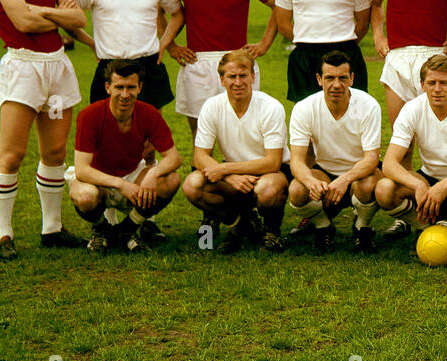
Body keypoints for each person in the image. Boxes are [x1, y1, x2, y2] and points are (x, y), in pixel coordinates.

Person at [0, 0, 87, 260]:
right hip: (23, 68)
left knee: (56, 152)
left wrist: (41, 12)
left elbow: (77, 19)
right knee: (12, 155)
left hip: (57, 68)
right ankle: (4, 236)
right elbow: (22, 22)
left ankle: (52, 229)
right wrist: (54, 16)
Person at [167, 0, 278, 146]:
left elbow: (280, 5)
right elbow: (156, 9)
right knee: (200, 134)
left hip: (237, 60)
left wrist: (265, 43)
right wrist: (171, 46)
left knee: (244, 128)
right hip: (197, 61)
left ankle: (244, 173)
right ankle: (201, 173)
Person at [181, 50, 290, 254]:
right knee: (191, 185)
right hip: (232, 174)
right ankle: (240, 223)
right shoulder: (212, 106)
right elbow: (200, 156)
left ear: (253, 77)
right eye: (232, 77)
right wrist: (230, 176)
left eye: (243, 75)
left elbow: (273, 162)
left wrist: (225, 169)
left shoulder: (270, 107)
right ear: (221, 79)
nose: (238, 82)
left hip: (270, 173)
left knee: (267, 191)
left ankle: (272, 230)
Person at [376, 54, 447, 246]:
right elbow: (389, 164)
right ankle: (425, 227)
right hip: (428, 180)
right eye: (431, 82)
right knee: (384, 189)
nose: (437, 89)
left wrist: (445, 186)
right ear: (422, 85)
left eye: (443, 82)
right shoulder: (412, 108)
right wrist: (418, 185)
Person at [70, 60, 182, 253]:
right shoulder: (89, 115)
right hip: (98, 180)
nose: (124, 94)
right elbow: (81, 170)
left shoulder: (150, 113)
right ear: (108, 88)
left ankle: (127, 230)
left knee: (171, 180)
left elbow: (174, 158)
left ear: (139, 88)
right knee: (85, 196)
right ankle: (101, 229)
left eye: (131, 87)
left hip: (132, 173)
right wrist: (120, 184)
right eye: (119, 87)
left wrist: (153, 174)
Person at [69, 0, 182, 110]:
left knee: (148, 133)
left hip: (149, 65)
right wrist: (91, 43)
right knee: (110, 133)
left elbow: (177, 13)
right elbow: (66, 16)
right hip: (110, 66)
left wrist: (165, 44)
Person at [286, 49, 384, 254]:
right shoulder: (304, 108)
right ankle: (323, 227)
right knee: (296, 190)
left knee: (369, 185)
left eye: (342, 78)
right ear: (319, 79)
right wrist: (311, 182)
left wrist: (345, 180)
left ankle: (362, 227)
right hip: (324, 170)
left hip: (359, 172)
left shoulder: (369, 105)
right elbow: (296, 161)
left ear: (352, 79)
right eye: (330, 78)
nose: (336, 84)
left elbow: (372, 158)